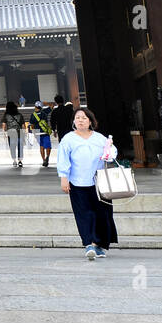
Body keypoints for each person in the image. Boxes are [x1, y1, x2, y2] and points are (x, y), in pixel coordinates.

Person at [57, 107, 119, 259]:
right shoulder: (68, 139)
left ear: (90, 121)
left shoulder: (99, 138)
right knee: (84, 214)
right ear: (73, 121)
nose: (80, 120)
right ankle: (88, 244)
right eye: (77, 118)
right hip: (77, 183)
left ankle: (98, 245)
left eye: (84, 118)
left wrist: (109, 149)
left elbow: (111, 155)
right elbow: (63, 159)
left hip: (99, 183)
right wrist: (63, 178)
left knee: (102, 214)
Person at [1, 101, 25, 168]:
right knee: (20, 147)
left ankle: (14, 161)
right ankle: (20, 161)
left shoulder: (6, 115)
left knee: (12, 147)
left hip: (10, 133)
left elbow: (3, 125)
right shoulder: (20, 115)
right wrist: (24, 133)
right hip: (19, 132)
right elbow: (23, 125)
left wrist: (4, 133)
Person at [31, 101, 53, 167]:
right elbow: (52, 106)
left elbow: (32, 125)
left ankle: (43, 160)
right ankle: (47, 157)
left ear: (35, 106)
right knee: (48, 146)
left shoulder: (33, 115)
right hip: (45, 132)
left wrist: (34, 133)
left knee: (41, 146)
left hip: (38, 133)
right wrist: (46, 103)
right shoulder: (44, 112)